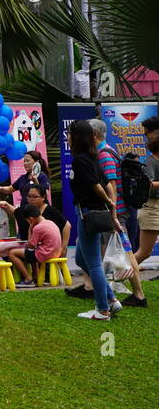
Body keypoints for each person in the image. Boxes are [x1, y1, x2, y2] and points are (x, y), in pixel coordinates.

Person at [67, 119, 122, 319]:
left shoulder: (81, 160)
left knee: (93, 263)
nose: (67, 137)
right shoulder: (93, 157)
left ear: (76, 137)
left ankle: (103, 309)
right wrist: (112, 210)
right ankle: (111, 299)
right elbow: (107, 184)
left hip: (88, 214)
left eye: (69, 134)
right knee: (82, 259)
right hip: (94, 213)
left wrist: (110, 204)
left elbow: (98, 186)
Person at [91, 118, 146, 306]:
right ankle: (137, 293)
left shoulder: (104, 155)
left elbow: (111, 185)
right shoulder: (110, 150)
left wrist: (112, 214)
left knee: (126, 253)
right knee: (127, 252)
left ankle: (138, 295)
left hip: (116, 212)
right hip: (118, 210)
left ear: (94, 135)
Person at [0, 184, 69, 284]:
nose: (30, 199)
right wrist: (7, 205)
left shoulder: (44, 219)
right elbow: (16, 212)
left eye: (34, 197)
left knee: (13, 253)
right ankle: (35, 276)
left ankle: (28, 278)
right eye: (28, 196)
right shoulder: (46, 221)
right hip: (48, 251)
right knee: (32, 252)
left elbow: (31, 244)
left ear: (43, 197)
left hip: (45, 253)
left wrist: (63, 247)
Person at [132, 117, 159, 278]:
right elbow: (146, 185)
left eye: (147, 133)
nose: (145, 136)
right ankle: (118, 277)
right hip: (151, 208)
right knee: (144, 252)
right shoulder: (150, 161)